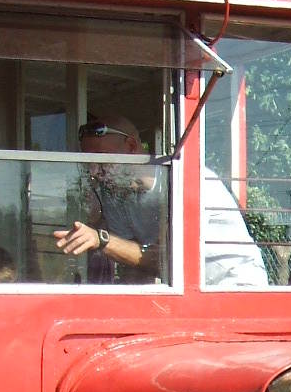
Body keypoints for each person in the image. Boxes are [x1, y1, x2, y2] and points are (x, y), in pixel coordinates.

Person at [55, 116, 267, 287]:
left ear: (131, 147)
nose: (94, 171)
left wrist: (101, 239)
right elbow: (135, 263)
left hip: (237, 290)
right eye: (89, 162)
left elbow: (165, 261)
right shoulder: (115, 196)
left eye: (102, 158)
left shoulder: (189, 182)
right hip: (190, 298)